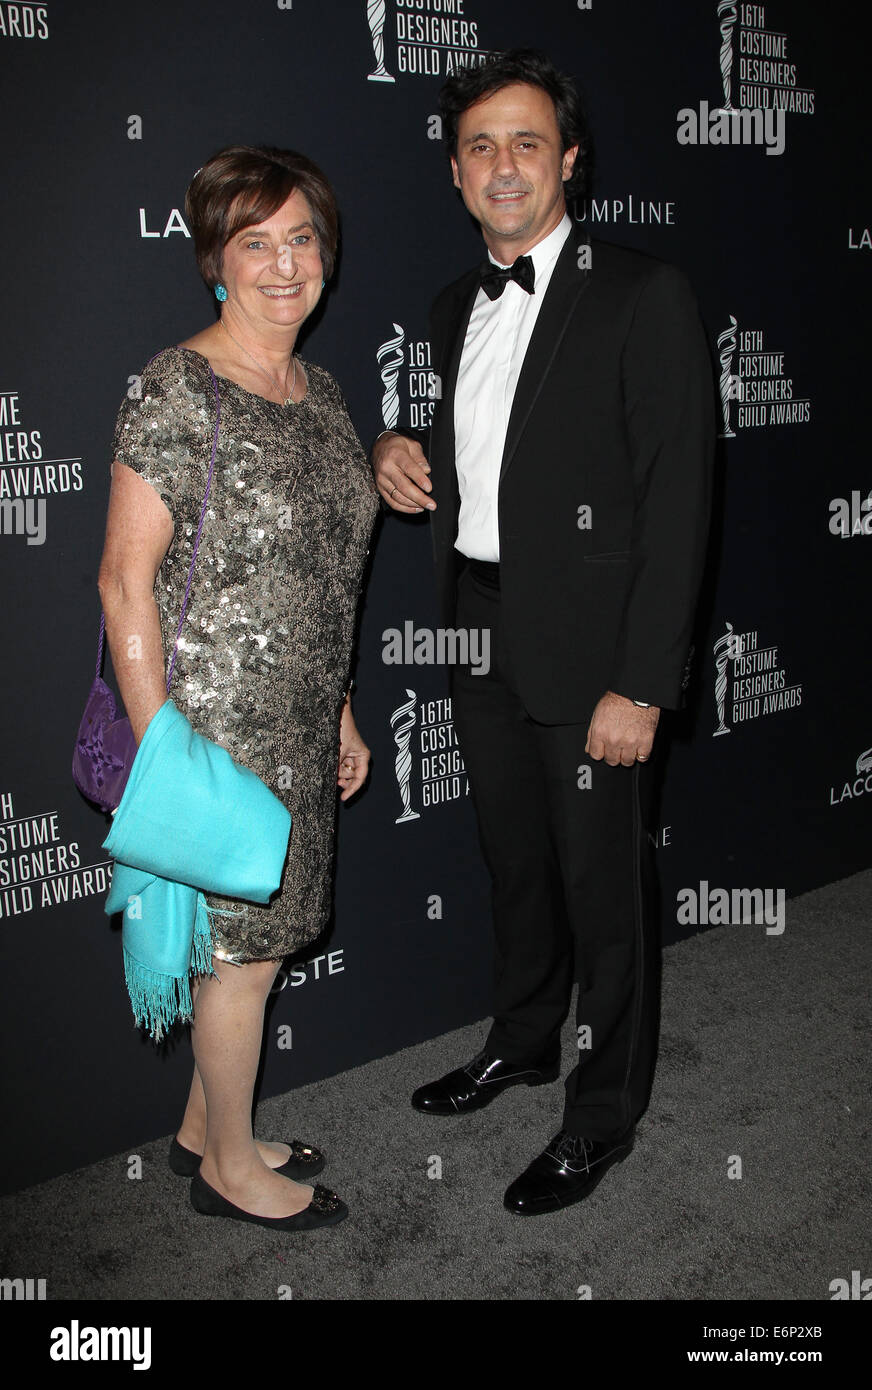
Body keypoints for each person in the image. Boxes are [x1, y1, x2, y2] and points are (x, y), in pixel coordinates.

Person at [372, 51, 715, 1215]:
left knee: (601, 886)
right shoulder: (445, 305)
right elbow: (471, 456)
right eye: (478, 145)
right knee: (514, 864)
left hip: (595, 655)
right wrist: (393, 451)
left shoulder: (642, 293)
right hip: (475, 626)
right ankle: (522, 1040)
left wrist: (641, 685)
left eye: (525, 142)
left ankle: (601, 1113)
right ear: (456, 175)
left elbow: (677, 506)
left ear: (567, 160)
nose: (501, 164)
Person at [98, 145, 379, 1231]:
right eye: (253, 242)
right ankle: (230, 1173)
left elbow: (320, 573)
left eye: (300, 238)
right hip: (210, 732)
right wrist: (158, 744)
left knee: (253, 949)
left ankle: (200, 1130)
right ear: (215, 258)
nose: (281, 263)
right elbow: (126, 579)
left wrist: (342, 704)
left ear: (326, 256)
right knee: (241, 965)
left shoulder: (324, 389)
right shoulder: (177, 385)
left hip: (302, 723)